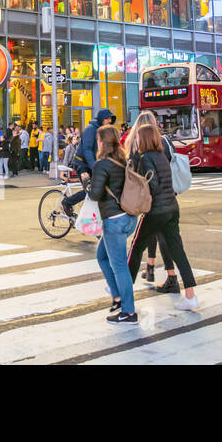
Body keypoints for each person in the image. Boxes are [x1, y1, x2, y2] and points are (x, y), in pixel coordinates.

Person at [125, 113, 199, 311]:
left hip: (156, 210)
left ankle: (123, 290)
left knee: (136, 247)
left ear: (145, 138)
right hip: (172, 208)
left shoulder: (146, 158)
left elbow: (152, 185)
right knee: (178, 251)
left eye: (139, 137)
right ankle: (190, 294)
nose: (137, 140)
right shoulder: (160, 155)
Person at [87, 125, 139, 324]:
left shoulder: (102, 165)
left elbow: (95, 194)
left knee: (119, 266)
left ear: (102, 142)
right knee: (102, 256)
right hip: (128, 217)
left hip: (114, 220)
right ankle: (118, 297)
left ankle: (128, 311)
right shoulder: (122, 160)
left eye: (98, 140)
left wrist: (87, 183)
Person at [61, 108, 114, 218]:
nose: (109, 121)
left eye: (110, 119)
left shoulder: (104, 131)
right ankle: (67, 202)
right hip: (82, 164)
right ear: (101, 119)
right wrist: (95, 167)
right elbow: (87, 150)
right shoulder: (90, 130)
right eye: (107, 118)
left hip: (92, 164)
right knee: (91, 190)